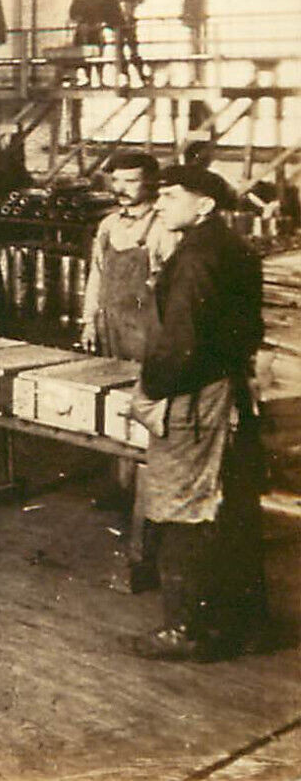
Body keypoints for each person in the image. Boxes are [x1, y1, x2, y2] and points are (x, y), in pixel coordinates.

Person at [129, 166, 268, 661]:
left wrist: (150, 392)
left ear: (203, 204)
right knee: (227, 504)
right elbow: (250, 328)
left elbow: (179, 343)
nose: (159, 202)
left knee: (182, 508)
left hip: (193, 396)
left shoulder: (195, 258)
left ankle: (183, 629)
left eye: (170, 196)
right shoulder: (234, 249)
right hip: (225, 388)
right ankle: (244, 625)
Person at [82, 152, 177, 361]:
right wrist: (89, 321)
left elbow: (174, 291)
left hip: (146, 331)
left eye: (131, 181)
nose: (120, 188)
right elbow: (96, 275)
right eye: (116, 180)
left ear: (150, 183)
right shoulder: (109, 225)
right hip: (108, 326)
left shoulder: (164, 227)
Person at [104, 0, 147, 88]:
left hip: (130, 24)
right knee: (120, 52)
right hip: (118, 25)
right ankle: (125, 78)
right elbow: (105, 6)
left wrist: (130, 6)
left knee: (133, 50)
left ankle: (141, 75)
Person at [69, 0, 109, 86]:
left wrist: (100, 23)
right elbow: (72, 14)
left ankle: (101, 80)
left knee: (99, 55)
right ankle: (88, 79)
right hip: (84, 31)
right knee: (85, 56)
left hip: (96, 30)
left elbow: (105, 14)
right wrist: (81, 22)